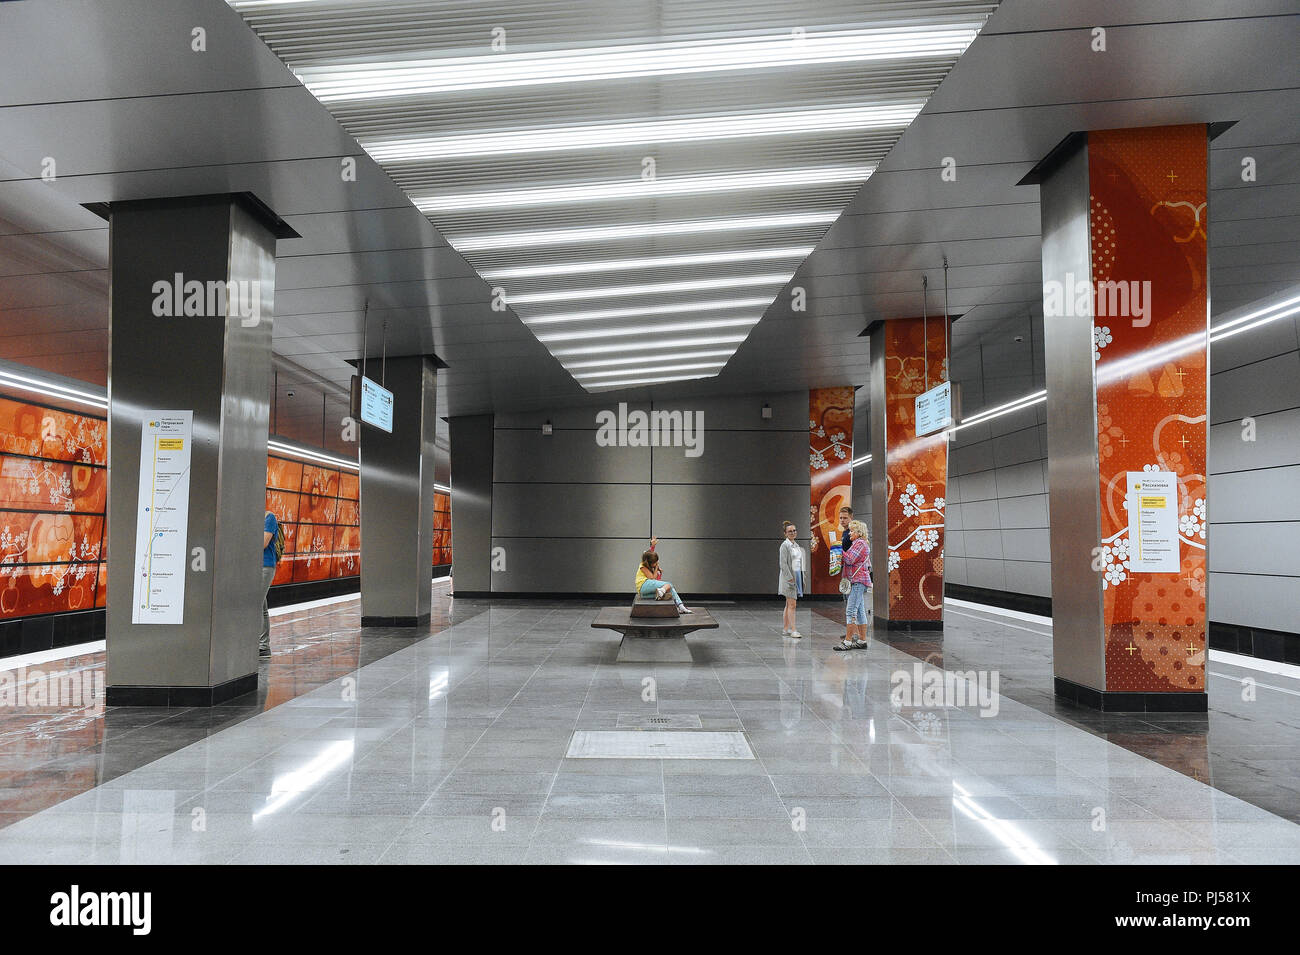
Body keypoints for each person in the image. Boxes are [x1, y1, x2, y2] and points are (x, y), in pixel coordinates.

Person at [833, 519, 873, 652]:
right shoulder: (858, 543)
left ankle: (848, 641)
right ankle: (862, 640)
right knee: (861, 611)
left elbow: (849, 559)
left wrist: (838, 549)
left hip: (858, 580)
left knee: (851, 611)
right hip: (857, 580)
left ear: (859, 532)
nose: (849, 534)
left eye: (852, 531)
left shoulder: (860, 544)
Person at [635, 536, 692, 613]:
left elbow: (649, 554)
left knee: (669, 591)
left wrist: (653, 546)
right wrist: (656, 568)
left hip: (644, 594)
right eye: (655, 563)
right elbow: (652, 578)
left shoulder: (647, 562)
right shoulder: (643, 566)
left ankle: (680, 606)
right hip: (643, 585)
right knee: (669, 584)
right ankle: (661, 591)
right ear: (650, 563)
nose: (656, 563)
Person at [259, 509, 280, 656]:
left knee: (255, 604)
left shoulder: (269, 517)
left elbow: (264, 543)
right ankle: (263, 646)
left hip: (265, 566)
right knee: (261, 606)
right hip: (250, 566)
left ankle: (262, 645)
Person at [778, 521, 804, 638]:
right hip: (789, 579)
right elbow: (783, 564)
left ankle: (785, 628)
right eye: (790, 531)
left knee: (789, 604)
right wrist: (789, 579)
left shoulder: (796, 545)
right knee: (792, 604)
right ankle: (793, 629)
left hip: (796, 577)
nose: (793, 533)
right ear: (785, 533)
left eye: (794, 530)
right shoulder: (785, 545)